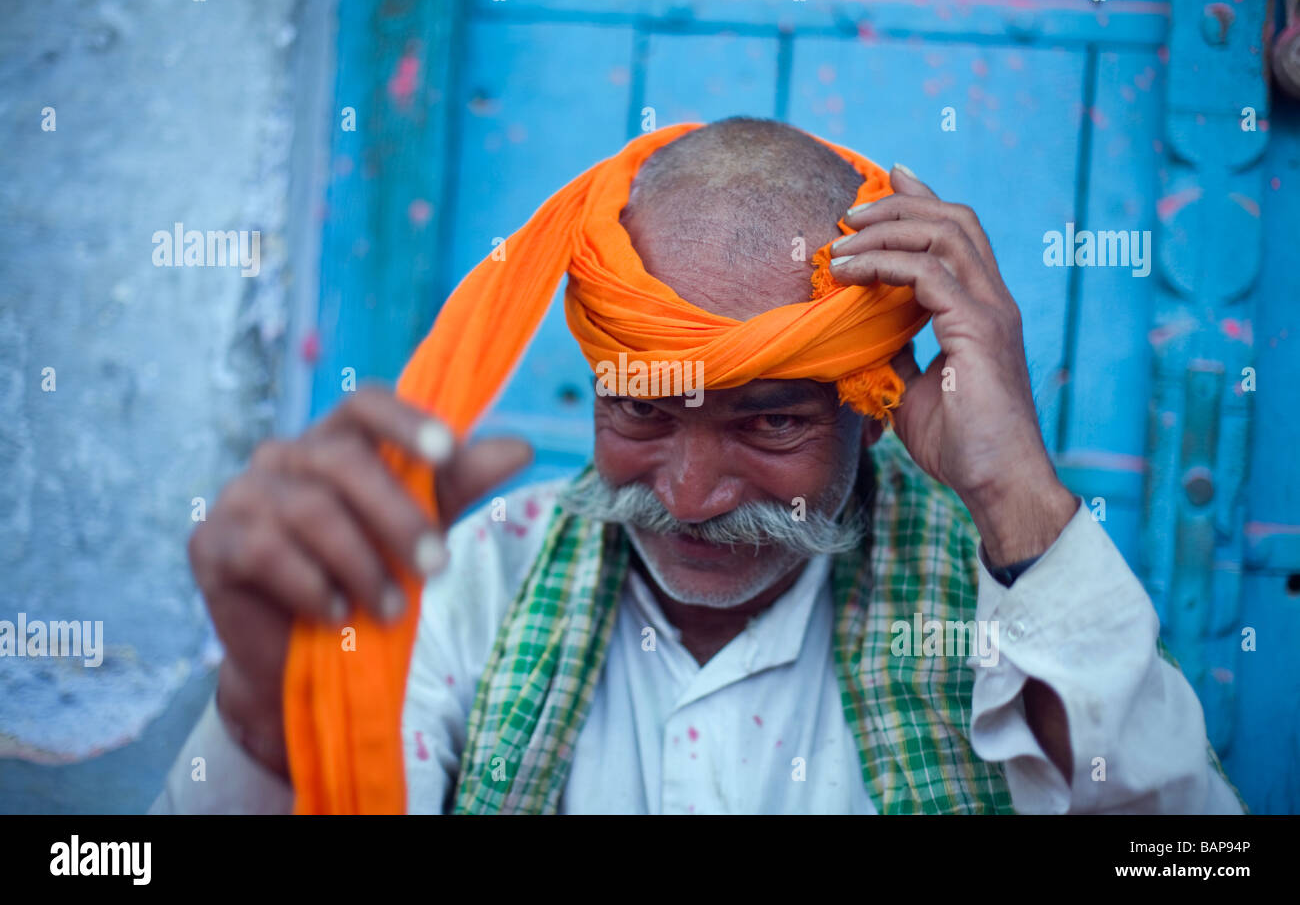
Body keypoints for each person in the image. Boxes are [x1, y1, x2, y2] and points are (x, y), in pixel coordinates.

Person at [152, 117, 1244, 814]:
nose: (685, 494)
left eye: (769, 426)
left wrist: (1019, 496)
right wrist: (261, 711)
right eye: (640, 412)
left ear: (871, 411)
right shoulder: (463, 580)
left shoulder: (1008, 603)